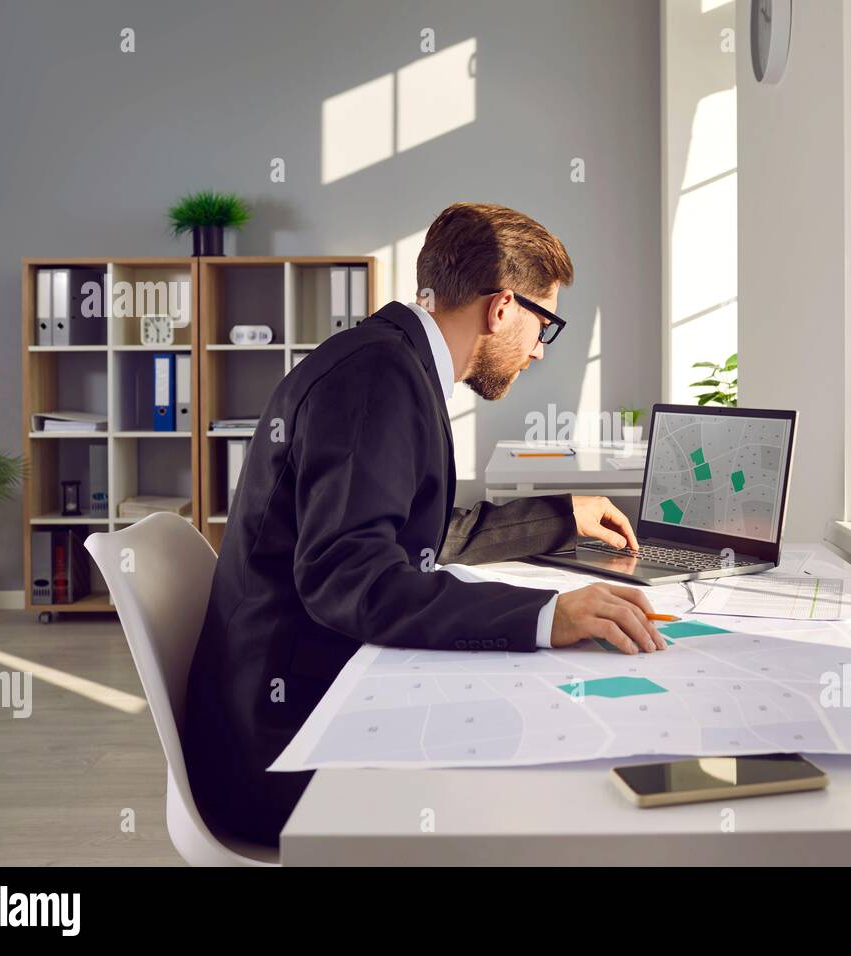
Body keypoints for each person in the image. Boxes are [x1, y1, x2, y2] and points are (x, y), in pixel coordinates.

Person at [183, 202, 666, 847]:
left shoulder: (389, 360)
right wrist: (548, 616)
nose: (538, 353)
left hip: (301, 703)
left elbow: (421, 539)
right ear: (502, 309)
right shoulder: (376, 378)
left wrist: (560, 516)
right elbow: (348, 579)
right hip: (285, 750)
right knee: (553, 769)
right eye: (543, 325)